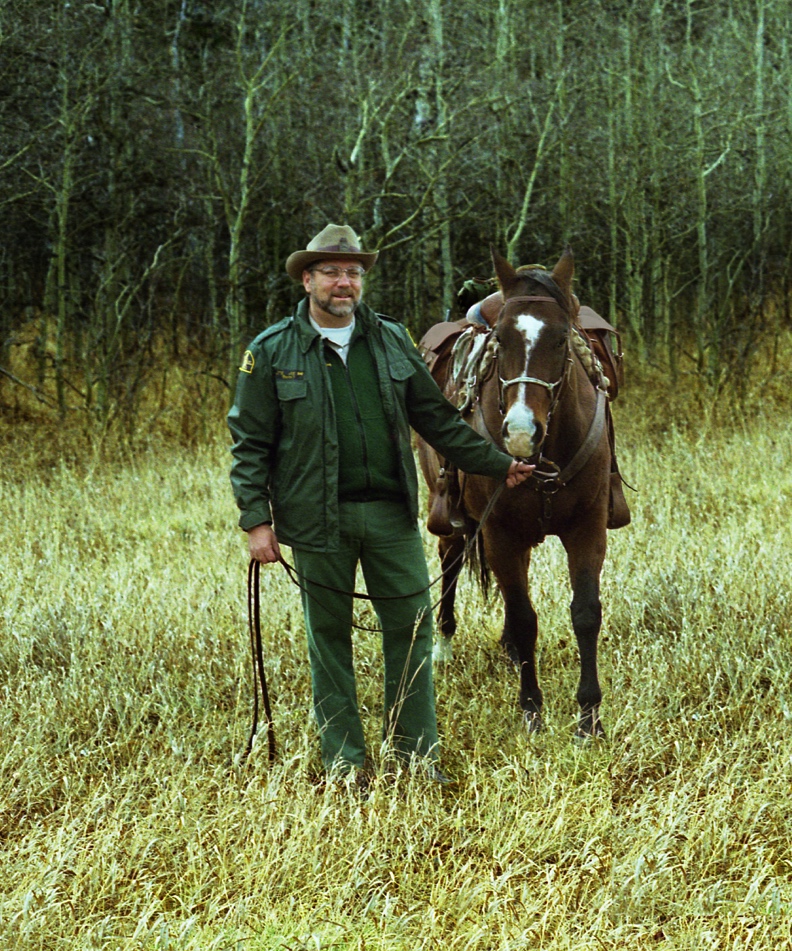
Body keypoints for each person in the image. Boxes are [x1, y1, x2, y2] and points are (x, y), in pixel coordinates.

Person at [227, 223, 533, 784]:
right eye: (332, 273)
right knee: (329, 640)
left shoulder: (391, 340)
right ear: (307, 279)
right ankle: (344, 763)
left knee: (411, 631)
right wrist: (257, 522)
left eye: (353, 273)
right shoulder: (270, 352)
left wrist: (499, 464)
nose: (344, 283)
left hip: (390, 513)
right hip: (315, 518)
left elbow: (437, 421)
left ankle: (416, 758)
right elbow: (249, 444)